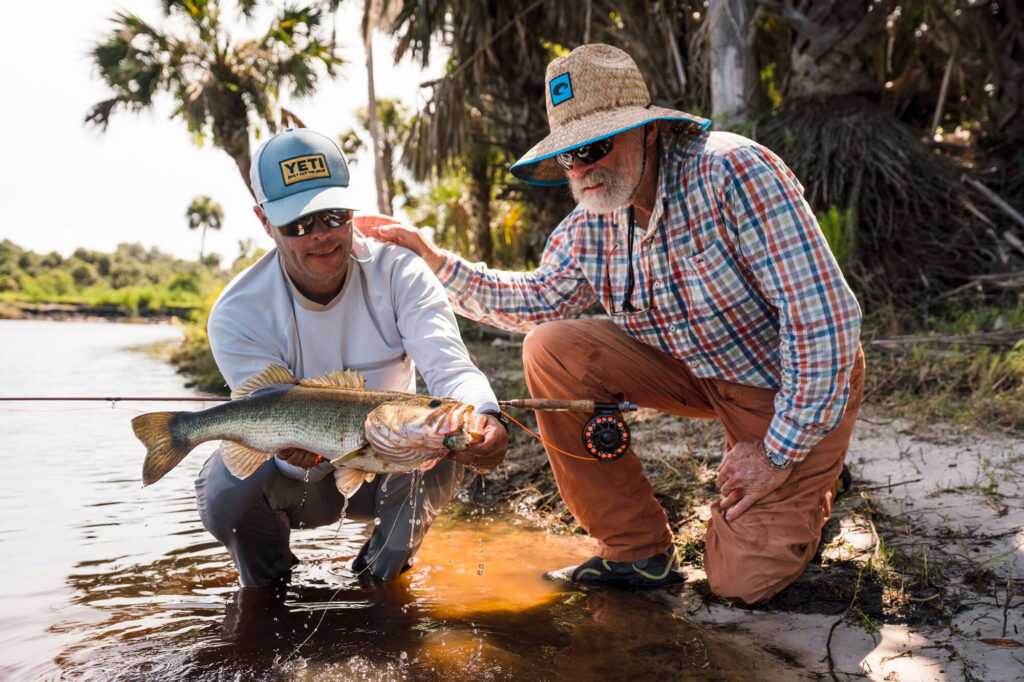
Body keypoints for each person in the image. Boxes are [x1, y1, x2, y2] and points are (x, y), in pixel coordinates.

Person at [359, 44, 864, 605]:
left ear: (647, 132)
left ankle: (817, 473)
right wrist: (433, 259)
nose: (581, 169)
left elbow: (825, 321)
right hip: (692, 368)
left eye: (595, 147)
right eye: (568, 157)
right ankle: (635, 552)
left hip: (783, 381)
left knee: (739, 584)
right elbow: (537, 299)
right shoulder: (591, 222)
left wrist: (776, 452)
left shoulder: (733, 171)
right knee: (549, 346)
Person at [194, 128, 508, 590]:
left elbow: (451, 369)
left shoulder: (401, 272)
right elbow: (268, 427)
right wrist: (295, 452)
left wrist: (487, 417)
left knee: (447, 437)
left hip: (391, 465)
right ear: (264, 222)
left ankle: (381, 579)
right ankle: (268, 595)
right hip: (299, 479)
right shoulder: (237, 313)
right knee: (227, 490)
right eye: (298, 224)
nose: (320, 236)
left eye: (333, 216)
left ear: (351, 210)